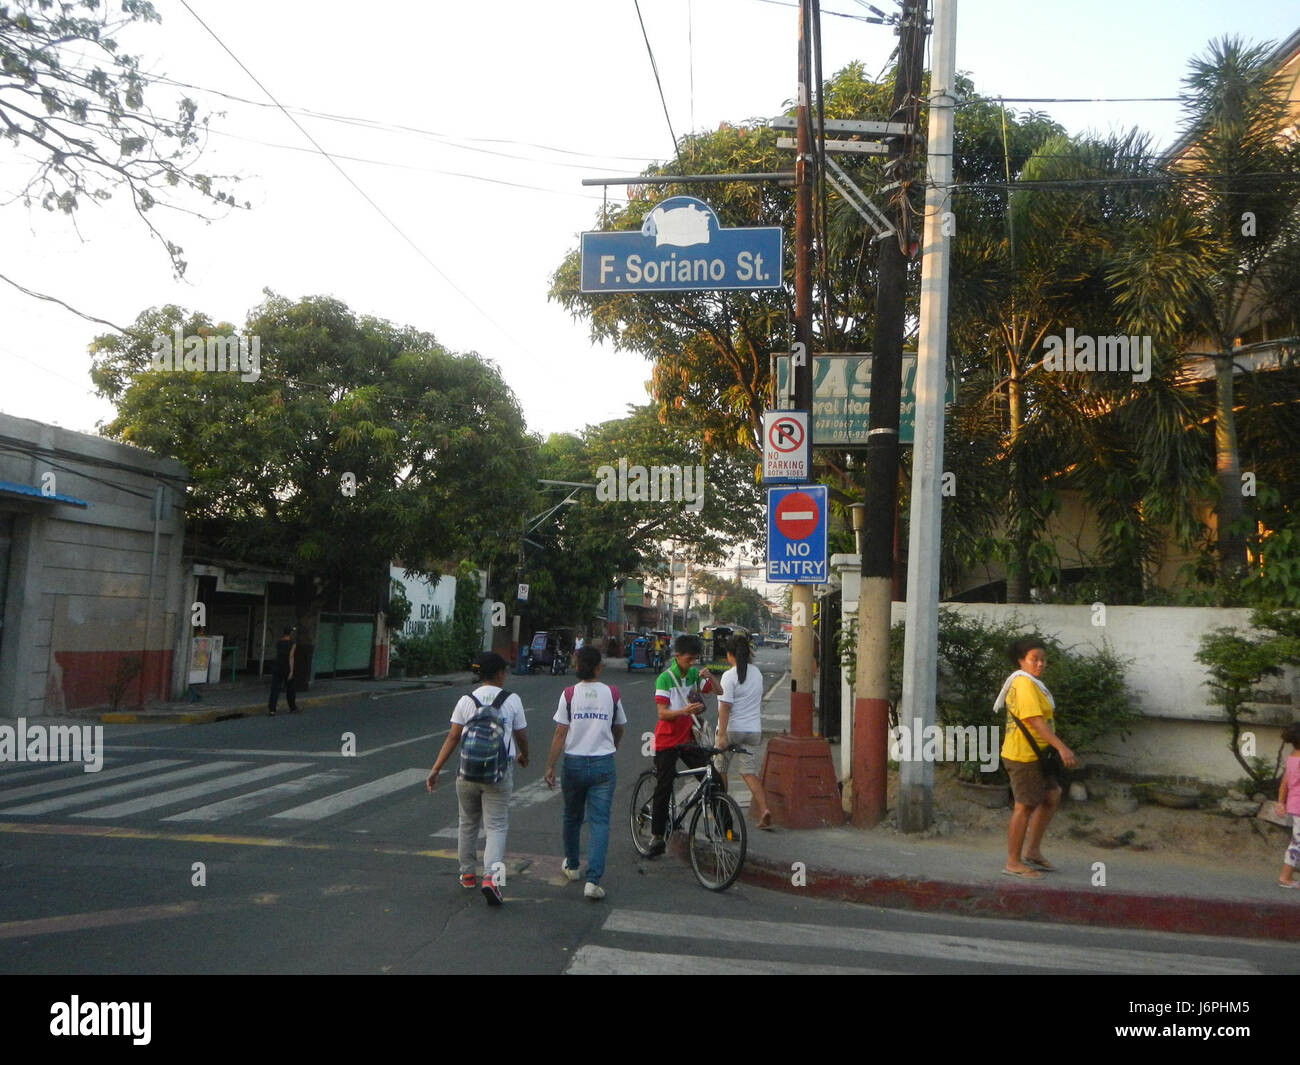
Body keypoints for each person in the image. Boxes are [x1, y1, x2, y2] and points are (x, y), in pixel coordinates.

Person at [425, 652, 528, 906]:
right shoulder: (512, 700)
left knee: (467, 823)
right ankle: (491, 878)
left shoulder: (466, 700)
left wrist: (435, 769)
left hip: (467, 772)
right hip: (498, 772)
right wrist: (524, 753)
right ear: (500, 674)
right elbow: (521, 734)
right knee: (495, 825)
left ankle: (468, 874)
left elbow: (452, 738)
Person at [543, 646, 626, 900]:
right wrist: (612, 744)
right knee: (600, 822)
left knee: (572, 816)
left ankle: (572, 865)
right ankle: (593, 882)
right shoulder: (611, 693)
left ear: (577, 667)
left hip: (574, 764)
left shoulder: (568, 694)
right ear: (599, 668)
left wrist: (549, 765)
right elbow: (620, 725)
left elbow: (560, 733)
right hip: (603, 764)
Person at [996, 637, 1076, 879]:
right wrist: (1062, 748)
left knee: (1051, 795)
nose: (1040, 664)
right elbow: (1035, 721)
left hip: (1039, 755)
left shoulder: (1033, 684)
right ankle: (1012, 862)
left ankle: (1032, 851)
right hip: (1024, 756)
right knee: (1025, 806)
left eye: (1043, 659)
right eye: (1034, 659)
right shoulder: (1024, 685)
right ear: (1021, 661)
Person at [646, 634, 716, 857]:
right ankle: (656, 836)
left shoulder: (694, 674)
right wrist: (683, 711)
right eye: (689, 659)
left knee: (711, 778)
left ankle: (726, 828)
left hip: (688, 738)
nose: (693, 663)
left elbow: (716, 691)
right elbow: (662, 713)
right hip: (666, 739)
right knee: (664, 786)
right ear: (677, 657)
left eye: (696, 659)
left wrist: (710, 676)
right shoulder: (665, 678)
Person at [715, 634, 771, 829]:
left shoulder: (728, 676)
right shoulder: (757, 673)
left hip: (732, 730)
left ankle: (722, 810)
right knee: (748, 773)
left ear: (730, 655)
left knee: (720, 770)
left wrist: (721, 736)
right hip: (753, 731)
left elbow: (725, 707)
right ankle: (764, 809)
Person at [1275, 724, 1300, 888]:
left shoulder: (1292, 757)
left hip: (1294, 805)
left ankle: (1290, 871)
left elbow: (1284, 783)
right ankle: (1285, 877)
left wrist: (1280, 802)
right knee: (1298, 843)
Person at [268, 626, 299, 715]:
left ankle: (272, 709)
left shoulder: (278, 643)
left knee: (275, 689)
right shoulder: (293, 644)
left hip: (277, 667)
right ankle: (292, 707)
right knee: (290, 689)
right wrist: (291, 671)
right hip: (287, 668)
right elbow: (291, 657)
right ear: (290, 634)